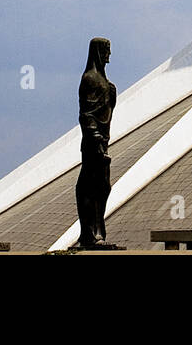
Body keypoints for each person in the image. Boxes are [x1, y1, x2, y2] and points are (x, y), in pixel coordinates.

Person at [75, 37, 117, 248]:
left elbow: (104, 112)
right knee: (92, 185)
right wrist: (95, 137)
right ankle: (89, 233)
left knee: (103, 187)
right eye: (106, 50)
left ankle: (97, 230)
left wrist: (112, 96)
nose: (109, 55)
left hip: (103, 139)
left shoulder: (104, 82)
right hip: (94, 143)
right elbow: (86, 114)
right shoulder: (90, 79)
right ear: (99, 52)